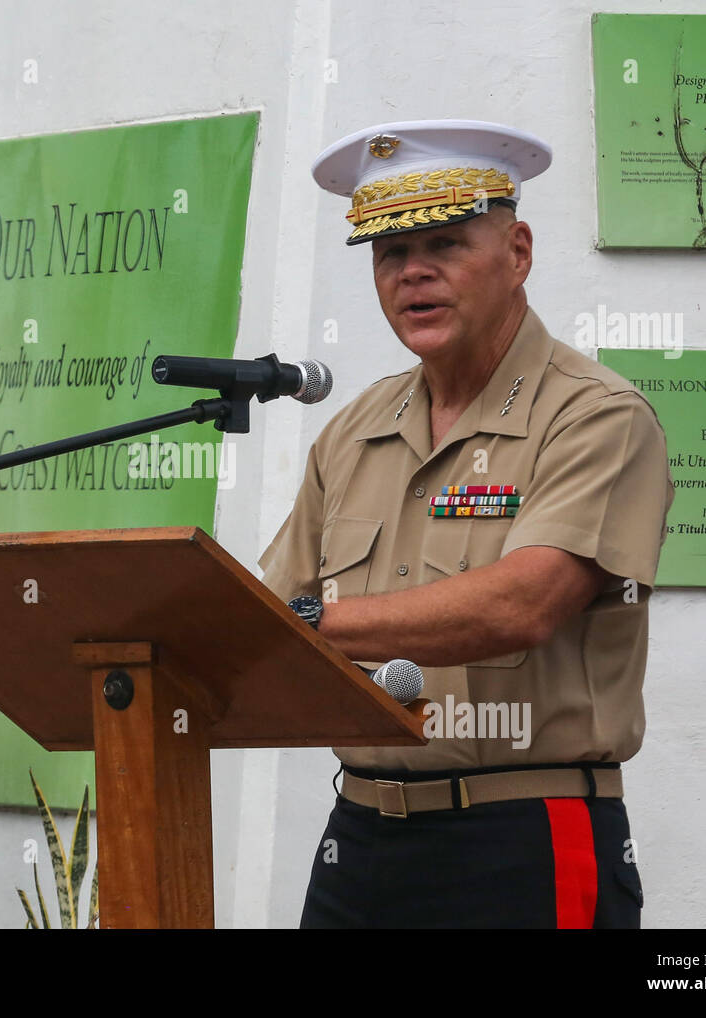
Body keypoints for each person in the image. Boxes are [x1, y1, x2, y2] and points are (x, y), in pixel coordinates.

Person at [259, 121, 675, 928]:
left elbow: (520, 606)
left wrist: (311, 623)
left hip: (520, 836)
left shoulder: (596, 418)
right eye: (388, 254)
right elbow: (263, 610)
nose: (412, 273)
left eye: (445, 244)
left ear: (517, 252)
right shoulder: (352, 431)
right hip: (360, 835)